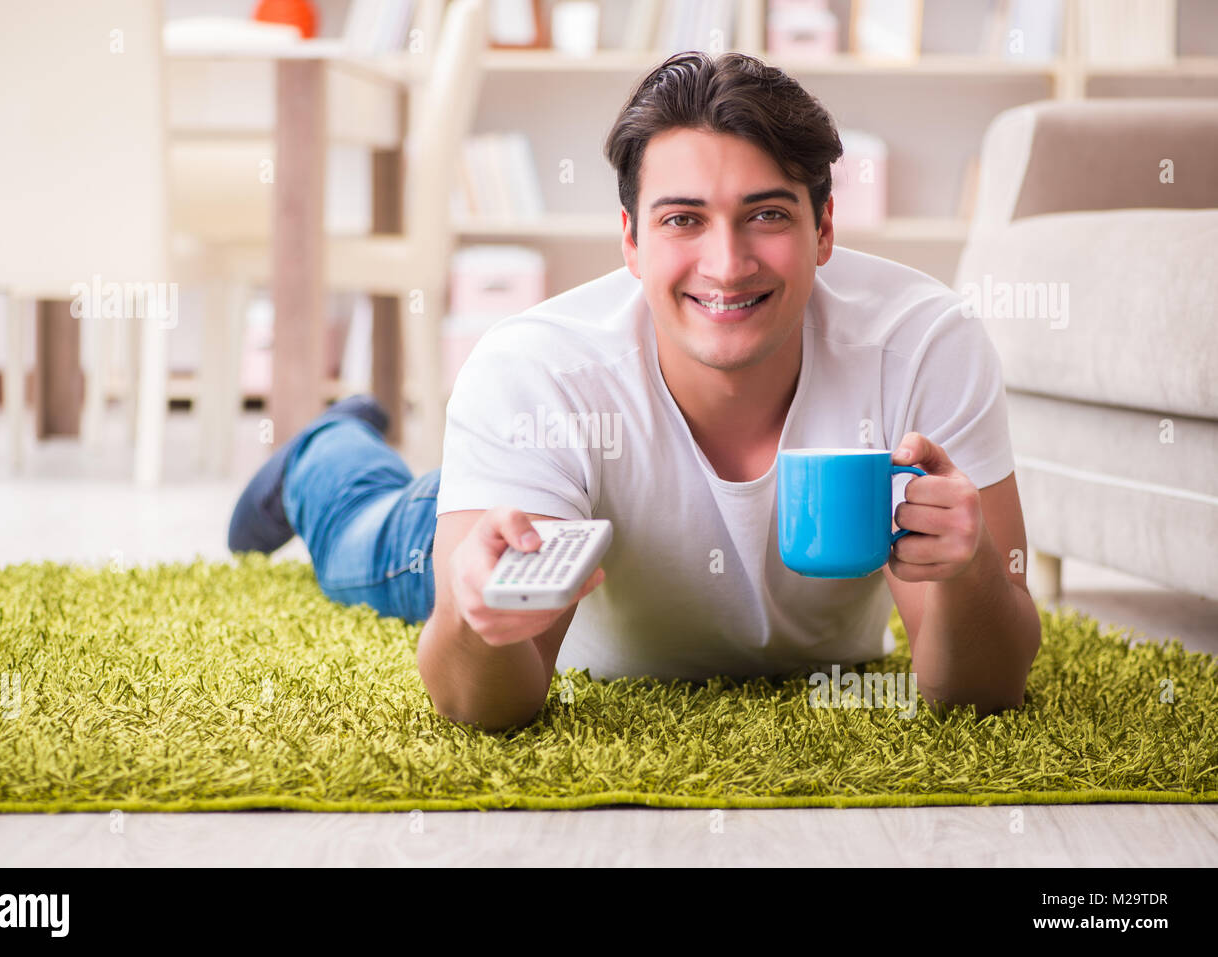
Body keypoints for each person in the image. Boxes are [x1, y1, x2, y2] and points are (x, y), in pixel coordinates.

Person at [229, 51, 1041, 732]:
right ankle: (323, 450)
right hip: (527, 499)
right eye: (683, 220)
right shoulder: (536, 372)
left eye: (765, 215)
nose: (727, 265)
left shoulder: (926, 344)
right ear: (630, 241)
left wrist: (970, 569)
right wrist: (478, 616)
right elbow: (486, 702)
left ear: (824, 229)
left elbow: (984, 691)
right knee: (361, 540)